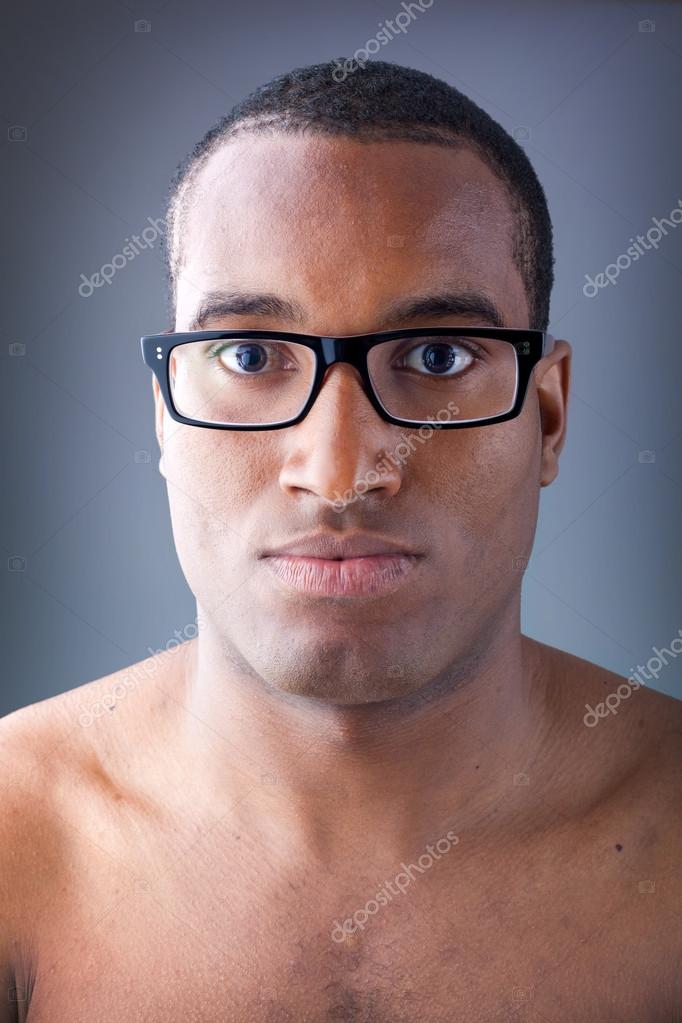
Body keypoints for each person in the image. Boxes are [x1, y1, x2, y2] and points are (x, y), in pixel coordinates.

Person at [1, 59, 680, 1022]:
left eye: (437, 355)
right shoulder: (16, 840)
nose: (341, 470)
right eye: (249, 354)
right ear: (164, 416)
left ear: (549, 417)